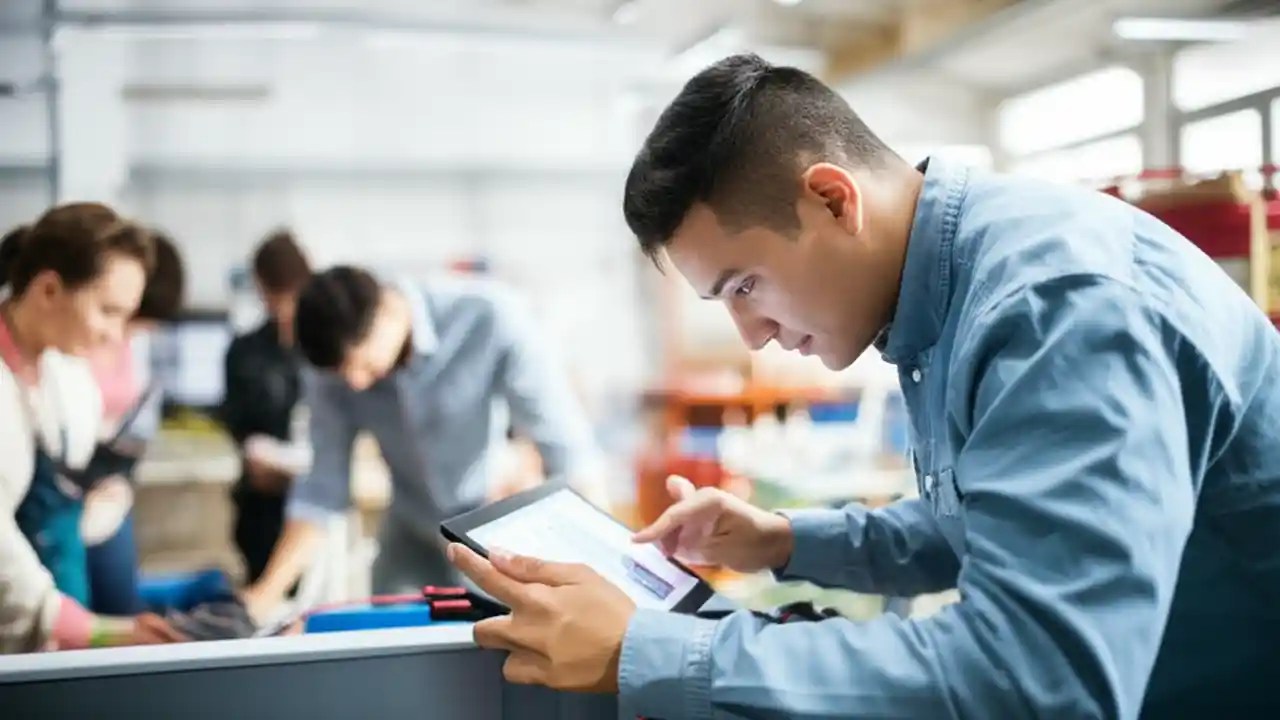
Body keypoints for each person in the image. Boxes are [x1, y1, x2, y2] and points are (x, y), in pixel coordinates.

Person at [446, 53, 1280, 718]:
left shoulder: (1056, 306)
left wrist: (649, 652)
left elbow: (1036, 680)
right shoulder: (946, 297)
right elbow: (994, 520)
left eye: (744, 286)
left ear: (831, 199)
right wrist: (780, 540)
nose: (753, 334)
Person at [241, 265, 606, 618]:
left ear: (387, 312)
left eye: (365, 367)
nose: (355, 384)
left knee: (499, 646)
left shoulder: (489, 316)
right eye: (344, 374)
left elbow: (570, 454)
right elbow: (321, 491)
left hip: (487, 519)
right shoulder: (330, 371)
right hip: (409, 524)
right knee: (384, 643)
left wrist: (603, 575)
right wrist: (263, 597)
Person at [0, 204, 184, 652]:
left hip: (51, 630)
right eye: (107, 311)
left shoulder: (67, 379)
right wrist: (99, 631)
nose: (117, 336)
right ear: (48, 290)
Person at [82, 231, 187, 616]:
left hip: (111, 488)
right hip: (66, 490)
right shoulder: (85, 333)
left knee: (119, 607)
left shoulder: (131, 344)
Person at [219, 230, 312, 585]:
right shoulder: (246, 353)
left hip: (313, 498)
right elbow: (237, 424)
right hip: (263, 504)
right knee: (267, 592)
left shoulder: (323, 353)